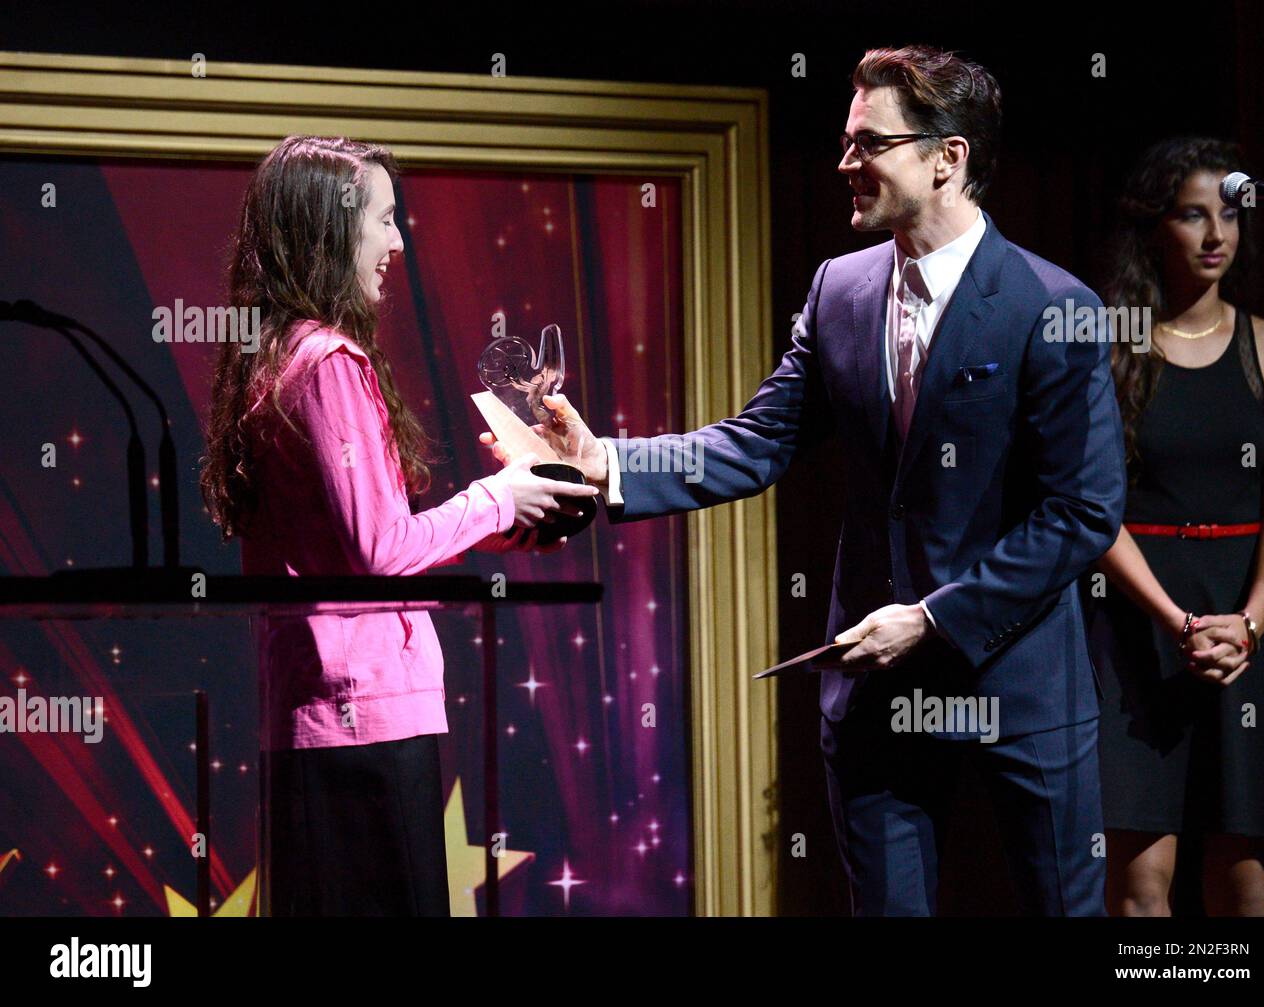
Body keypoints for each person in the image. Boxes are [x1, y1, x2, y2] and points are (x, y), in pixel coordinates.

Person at [483, 45, 1126, 915]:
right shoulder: (841, 290)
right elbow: (759, 440)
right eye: (845, 140)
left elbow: (1082, 511)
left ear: (949, 158)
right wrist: (610, 462)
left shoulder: (1055, 305)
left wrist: (934, 617)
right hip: (872, 688)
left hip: (1020, 686)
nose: (845, 163)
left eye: (869, 143)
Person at [199, 135, 599, 915]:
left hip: (325, 715)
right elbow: (381, 549)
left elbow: (360, 540)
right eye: (382, 220)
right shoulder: (329, 363)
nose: (397, 241)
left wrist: (511, 510)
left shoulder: (279, 356)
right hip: (363, 726)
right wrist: (495, 498)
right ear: (329, 230)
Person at [1088, 137, 1264, 916]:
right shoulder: (1110, 346)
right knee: (1141, 887)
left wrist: (1247, 624)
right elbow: (1093, 510)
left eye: (1231, 215)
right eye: (1193, 215)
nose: (1217, 234)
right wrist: (1176, 621)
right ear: (1153, 227)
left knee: (1248, 882)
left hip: (1248, 629)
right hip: (1141, 627)